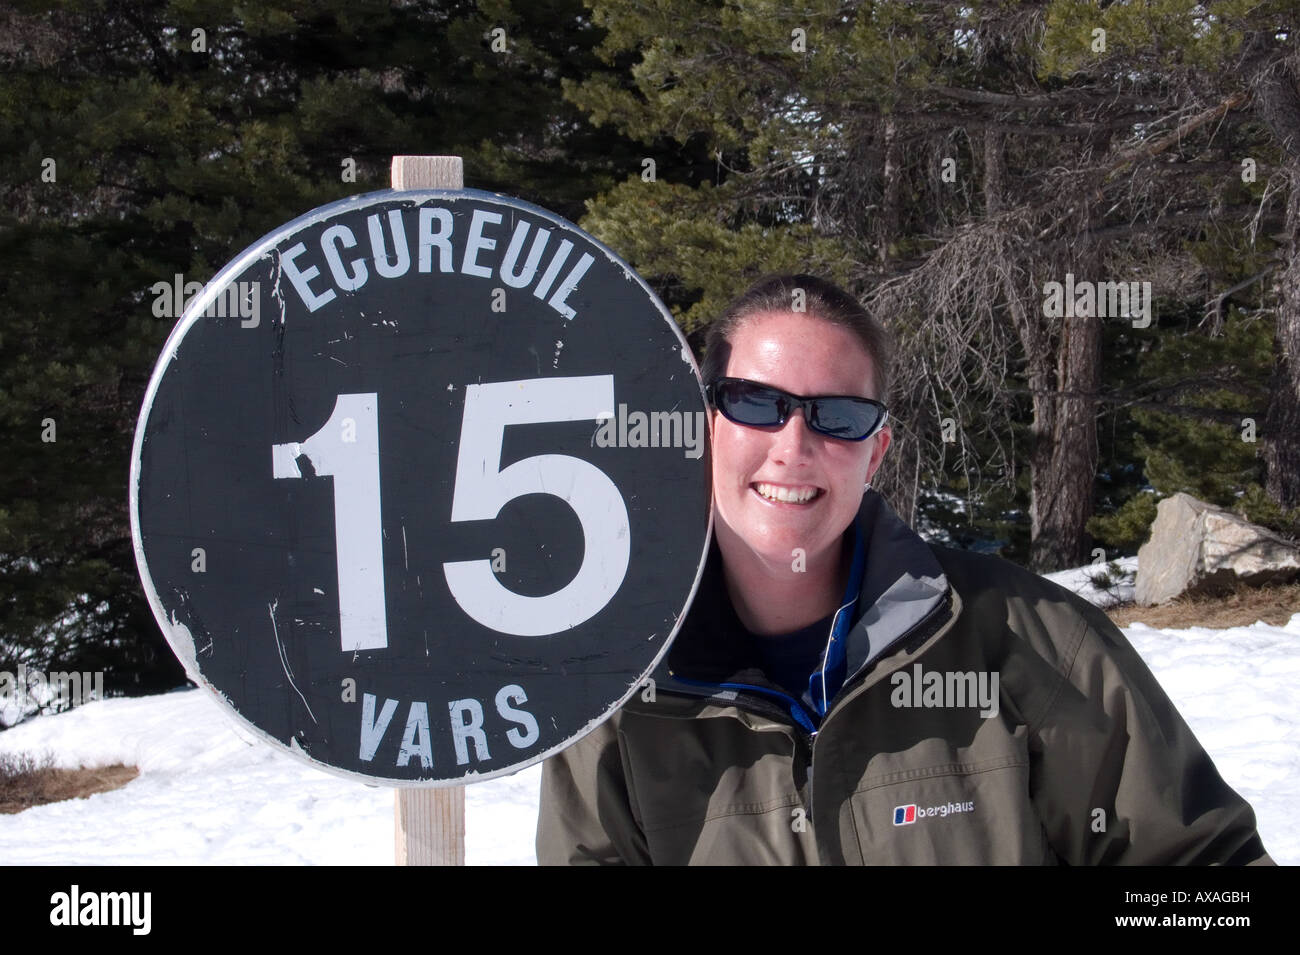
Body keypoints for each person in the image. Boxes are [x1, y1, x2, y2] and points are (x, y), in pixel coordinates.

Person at [535, 274, 1273, 865]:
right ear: (705, 425)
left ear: (876, 452)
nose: (794, 444)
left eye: (838, 416)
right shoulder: (622, 692)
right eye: (757, 403)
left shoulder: (1029, 641)